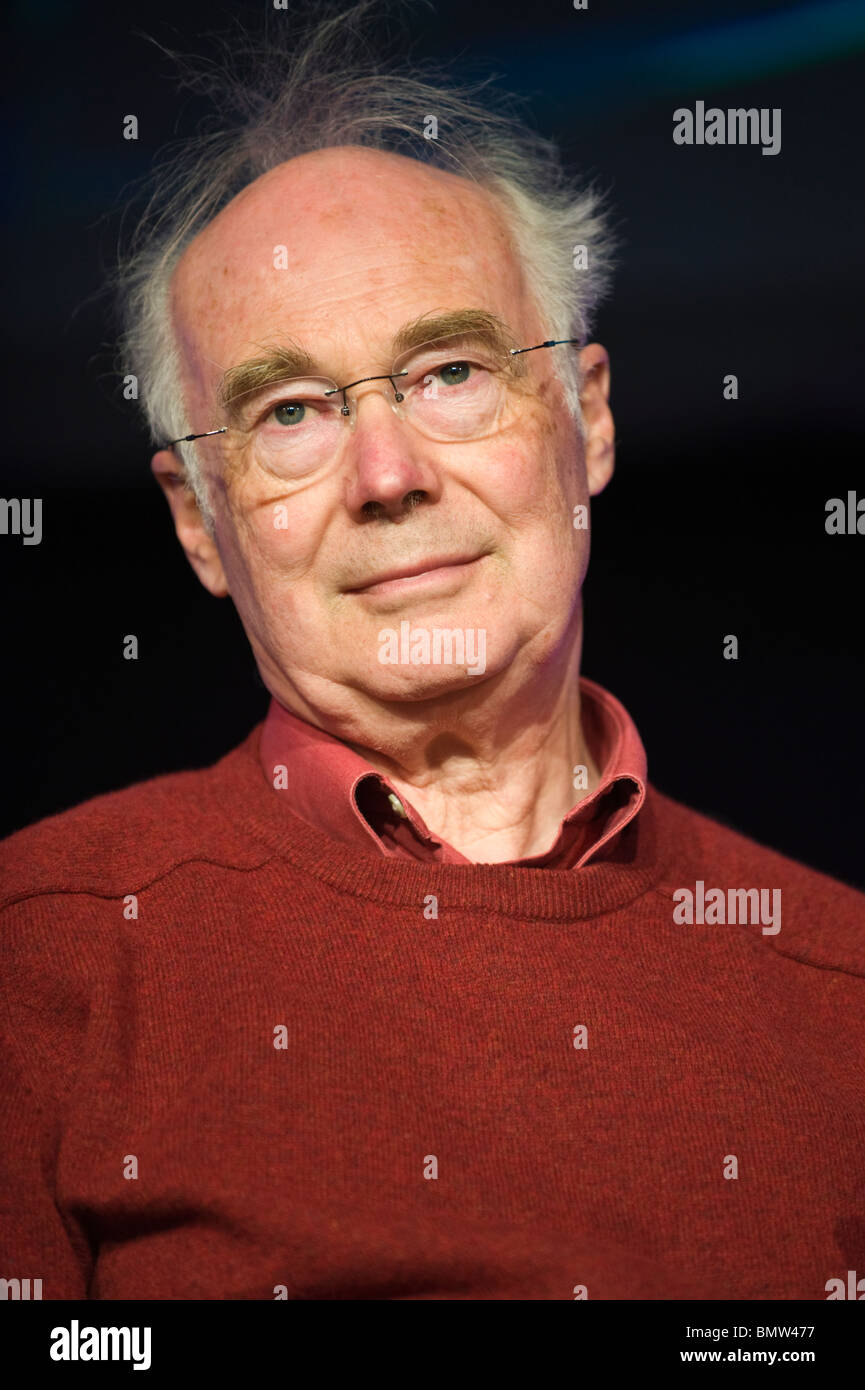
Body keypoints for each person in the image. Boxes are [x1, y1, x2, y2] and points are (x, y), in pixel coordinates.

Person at [2, 6, 863, 1301]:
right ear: (199, 521)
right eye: (290, 411)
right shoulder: (40, 951)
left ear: (584, 415)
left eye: (450, 371)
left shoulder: (840, 979)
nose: (389, 476)